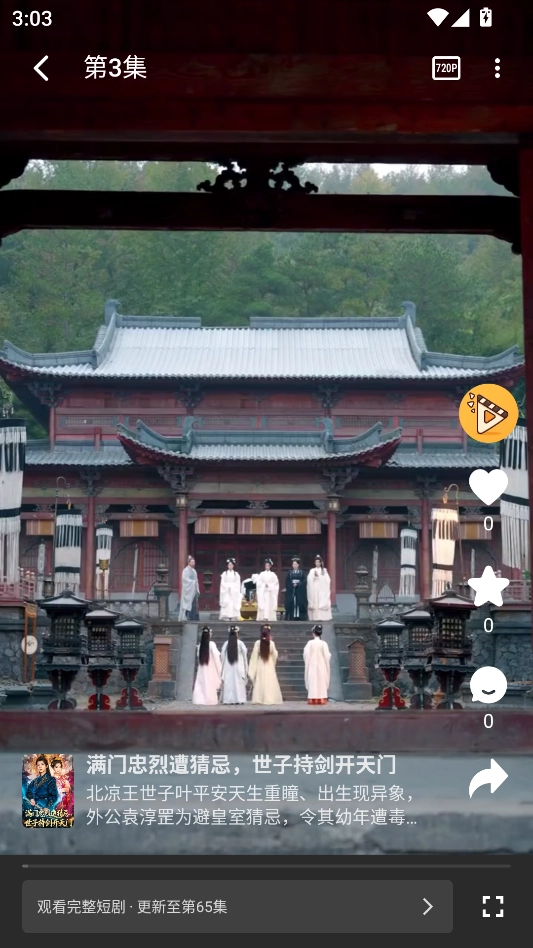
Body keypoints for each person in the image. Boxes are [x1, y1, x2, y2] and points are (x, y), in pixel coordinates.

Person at [248, 624, 283, 704]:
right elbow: (275, 654)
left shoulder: (257, 643)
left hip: (260, 663)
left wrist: (253, 667)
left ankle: (259, 699)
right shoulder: (271, 643)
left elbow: (254, 656)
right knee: (270, 680)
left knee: (260, 680)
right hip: (269, 663)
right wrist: (272, 662)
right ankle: (270, 699)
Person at [192, 625, 221, 705]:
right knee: (209, 682)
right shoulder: (212, 644)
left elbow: (198, 656)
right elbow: (216, 656)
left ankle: (199, 699)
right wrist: (219, 667)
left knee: (201, 683)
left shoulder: (200, 645)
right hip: (210, 666)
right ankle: (209, 699)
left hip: (202, 666)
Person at [303, 624, 331, 705]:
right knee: (321, 680)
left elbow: (306, 654)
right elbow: (328, 655)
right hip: (322, 665)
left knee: (313, 680)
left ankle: (312, 698)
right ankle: (322, 698)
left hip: (312, 665)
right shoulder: (324, 643)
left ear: (313, 633)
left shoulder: (310, 643)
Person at [220, 625, 248, 704]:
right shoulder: (241, 643)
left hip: (228, 665)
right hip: (239, 665)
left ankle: (227, 700)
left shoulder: (226, 643)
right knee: (238, 682)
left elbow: (222, 655)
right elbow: (245, 654)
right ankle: (239, 699)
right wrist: (246, 666)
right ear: (237, 634)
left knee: (228, 682)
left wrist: (222, 664)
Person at [307, 555, 332, 621]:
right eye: (316, 562)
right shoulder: (312, 570)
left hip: (321, 588)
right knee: (315, 601)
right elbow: (309, 579)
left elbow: (328, 580)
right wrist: (313, 576)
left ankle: (322, 617)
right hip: (314, 588)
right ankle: (314, 617)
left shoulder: (324, 570)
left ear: (321, 563)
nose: (317, 563)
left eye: (318, 562)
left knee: (321, 601)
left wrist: (319, 576)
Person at [179, 555, 200, 620]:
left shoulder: (194, 571)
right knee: (187, 604)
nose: (194, 563)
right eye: (192, 562)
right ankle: (186, 616)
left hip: (193, 590)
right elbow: (185, 580)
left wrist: (197, 588)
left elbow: (196, 580)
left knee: (194, 604)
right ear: (188, 563)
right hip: (188, 590)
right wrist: (193, 582)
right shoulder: (185, 570)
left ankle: (194, 618)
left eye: (194, 562)